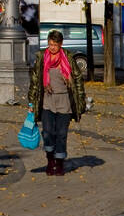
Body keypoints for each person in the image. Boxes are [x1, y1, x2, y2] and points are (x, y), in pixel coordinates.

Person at [27, 29, 86, 176]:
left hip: (64, 101)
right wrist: (31, 103)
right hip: (47, 101)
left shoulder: (68, 58)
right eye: (50, 44)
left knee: (61, 134)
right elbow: (35, 81)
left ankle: (59, 163)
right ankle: (50, 161)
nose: (52, 47)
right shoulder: (42, 57)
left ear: (61, 44)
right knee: (48, 132)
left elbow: (78, 80)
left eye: (55, 44)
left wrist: (81, 101)